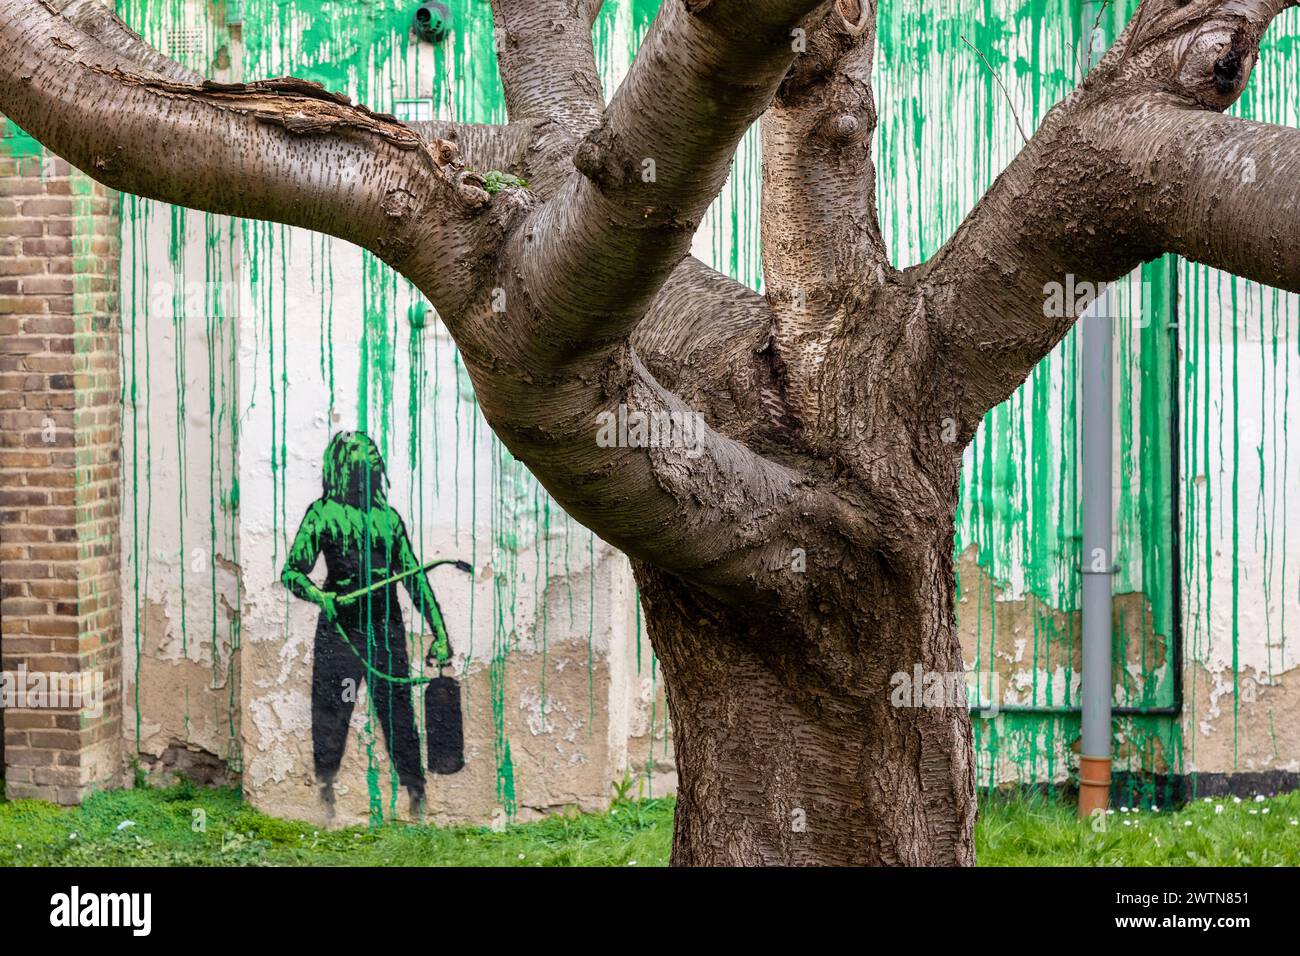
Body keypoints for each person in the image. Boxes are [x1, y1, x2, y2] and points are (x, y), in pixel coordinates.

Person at [281, 431, 452, 817]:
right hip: (340, 634)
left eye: (373, 455)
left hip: (384, 634)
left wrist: (440, 633)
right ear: (344, 466)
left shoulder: (388, 520)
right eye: (363, 456)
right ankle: (324, 795)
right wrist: (319, 596)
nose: (372, 459)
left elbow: (414, 580)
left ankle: (415, 795)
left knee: (398, 714)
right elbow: (292, 572)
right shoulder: (322, 513)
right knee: (333, 709)